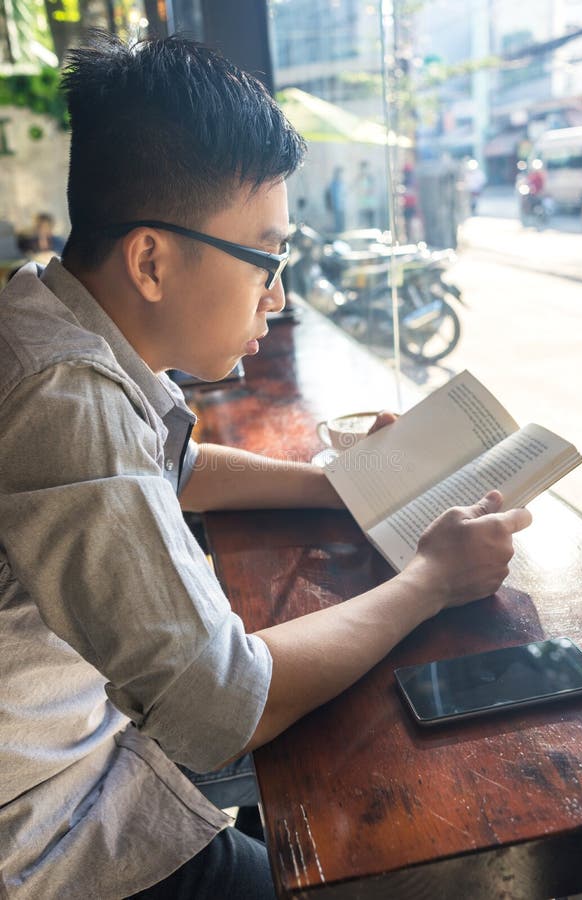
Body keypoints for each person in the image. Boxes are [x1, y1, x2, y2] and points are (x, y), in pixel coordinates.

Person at [0, 33, 532, 900]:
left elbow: (167, 467)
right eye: (264, 259)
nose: (276, 296)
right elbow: (221, 705)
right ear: (150, 260)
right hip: (52, 830)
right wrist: (432, 580)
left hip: (83, 741)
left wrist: (338, 484)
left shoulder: (43, 311)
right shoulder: (65, 401)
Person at [356, 159, 377, 227]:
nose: (364, 170)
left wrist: (367, 192)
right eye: (362, 168)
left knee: (371, 224)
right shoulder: (359, 178)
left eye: (365, 168)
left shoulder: (370, 178)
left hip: (370, 205)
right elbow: (358, 191)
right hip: (362, 205)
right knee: (362, 225)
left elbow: (372, 190)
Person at [325, 165, 346, 233]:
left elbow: (343, 194)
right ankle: (338, 232)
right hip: (336, 206)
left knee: (342, 222)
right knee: (337, 221)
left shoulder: (341, 183)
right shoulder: (333, 184)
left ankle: (341, 231)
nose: (341, 175)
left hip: (342, 206)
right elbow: (332, 196)